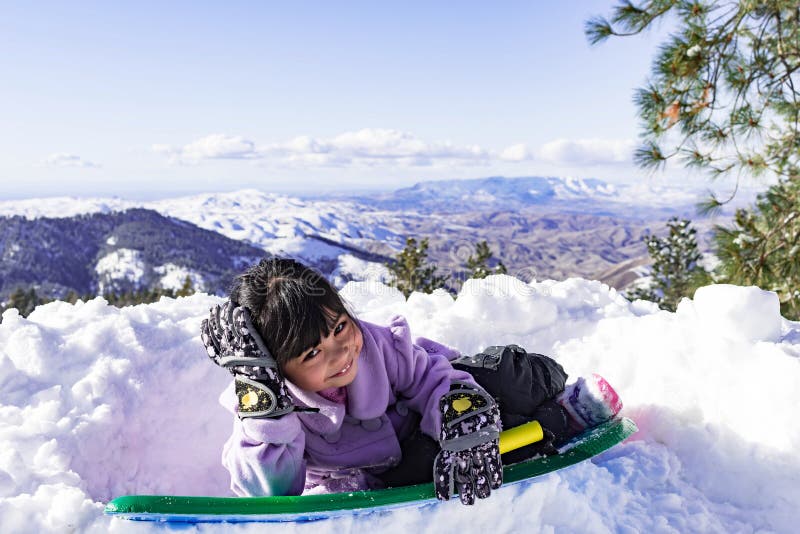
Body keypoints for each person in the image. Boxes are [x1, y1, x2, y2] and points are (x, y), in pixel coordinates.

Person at [200, 257, 621, 506]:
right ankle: (563, 418)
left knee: (508, 375)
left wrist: (462, 416)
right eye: (312, 353)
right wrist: (265, 401)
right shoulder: (268, 409)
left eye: (341, 328)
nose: (340, 353)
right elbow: (267, 492)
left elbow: (430, 376)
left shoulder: (376, 346)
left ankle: (547, 386)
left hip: (438, 412)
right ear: (275, 367)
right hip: (401, 466)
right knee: (451, 471)